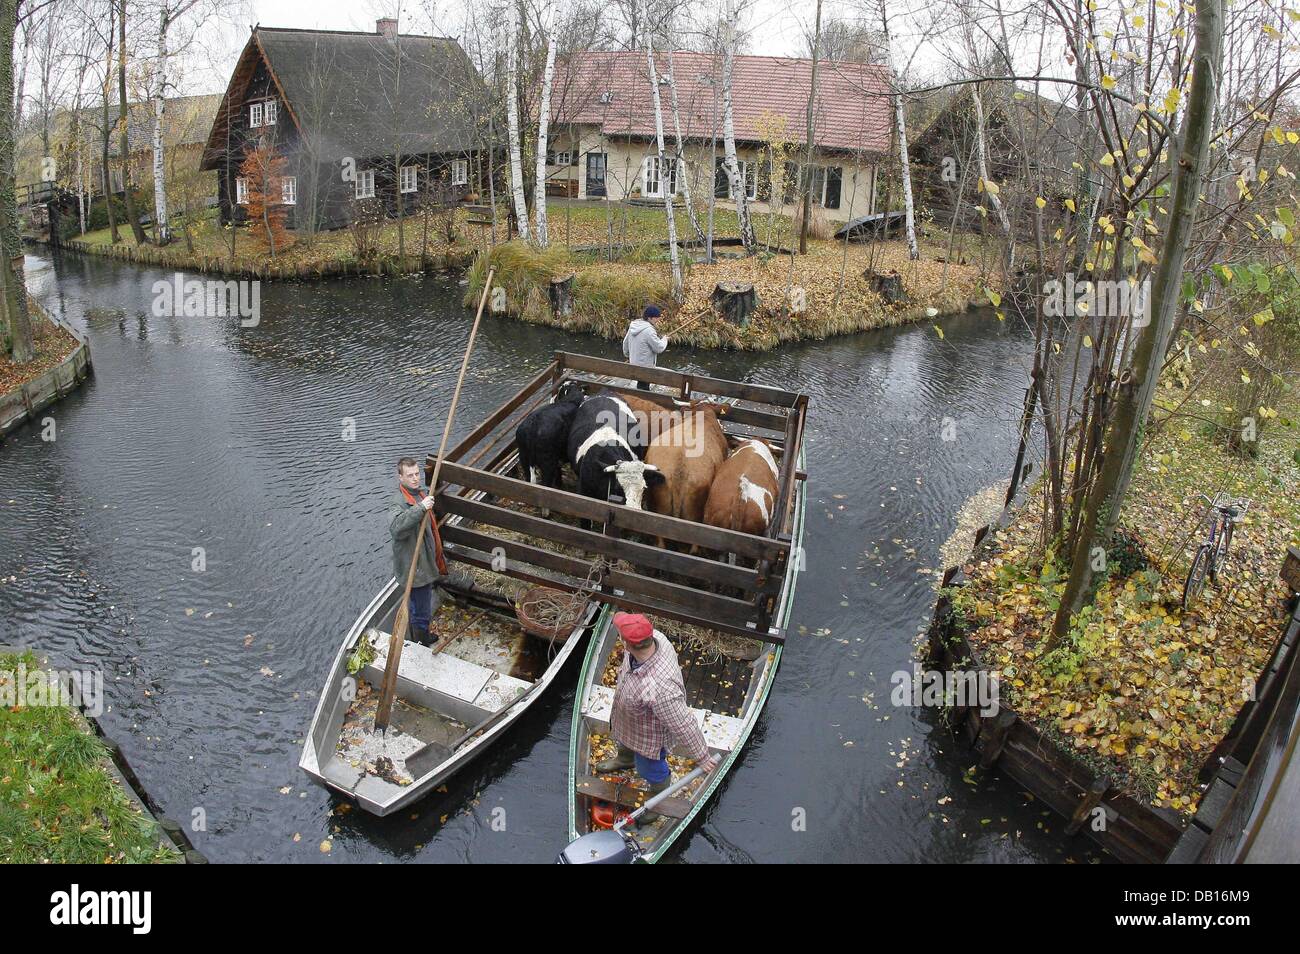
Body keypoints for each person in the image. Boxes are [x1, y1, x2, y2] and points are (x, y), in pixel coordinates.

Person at [595, 612, 717, 821]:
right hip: (627, 719)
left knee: (651, 769)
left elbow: (683, 724)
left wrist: (702, 757)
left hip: (647, 737)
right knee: (622, 740)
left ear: (626, 643)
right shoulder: (655, 638)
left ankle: (657, 800)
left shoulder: (661, 690)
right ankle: (625, 760)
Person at [389, 456, 457, 643]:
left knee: (418, 606)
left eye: (417, 474)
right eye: (410, 475)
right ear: (400, 477)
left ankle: (419, 635)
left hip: (424, 561)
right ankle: (422, 641)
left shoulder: (419, 493)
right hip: (415, 567)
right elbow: (396, 528)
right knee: (421, 609)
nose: (415, 478)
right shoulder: (399, 502)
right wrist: (421, 508)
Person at [622, 305, 669, 390]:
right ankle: (642, 399)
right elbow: (659, 347)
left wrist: (628, 355)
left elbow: (625, 344)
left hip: (634, 364)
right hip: (644, 368)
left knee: (641, 384)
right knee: (644, 386)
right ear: (649, 318)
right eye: (656, 318)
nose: (658, 320)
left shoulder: (634, 326)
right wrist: (665, 339)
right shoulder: (649, 331)